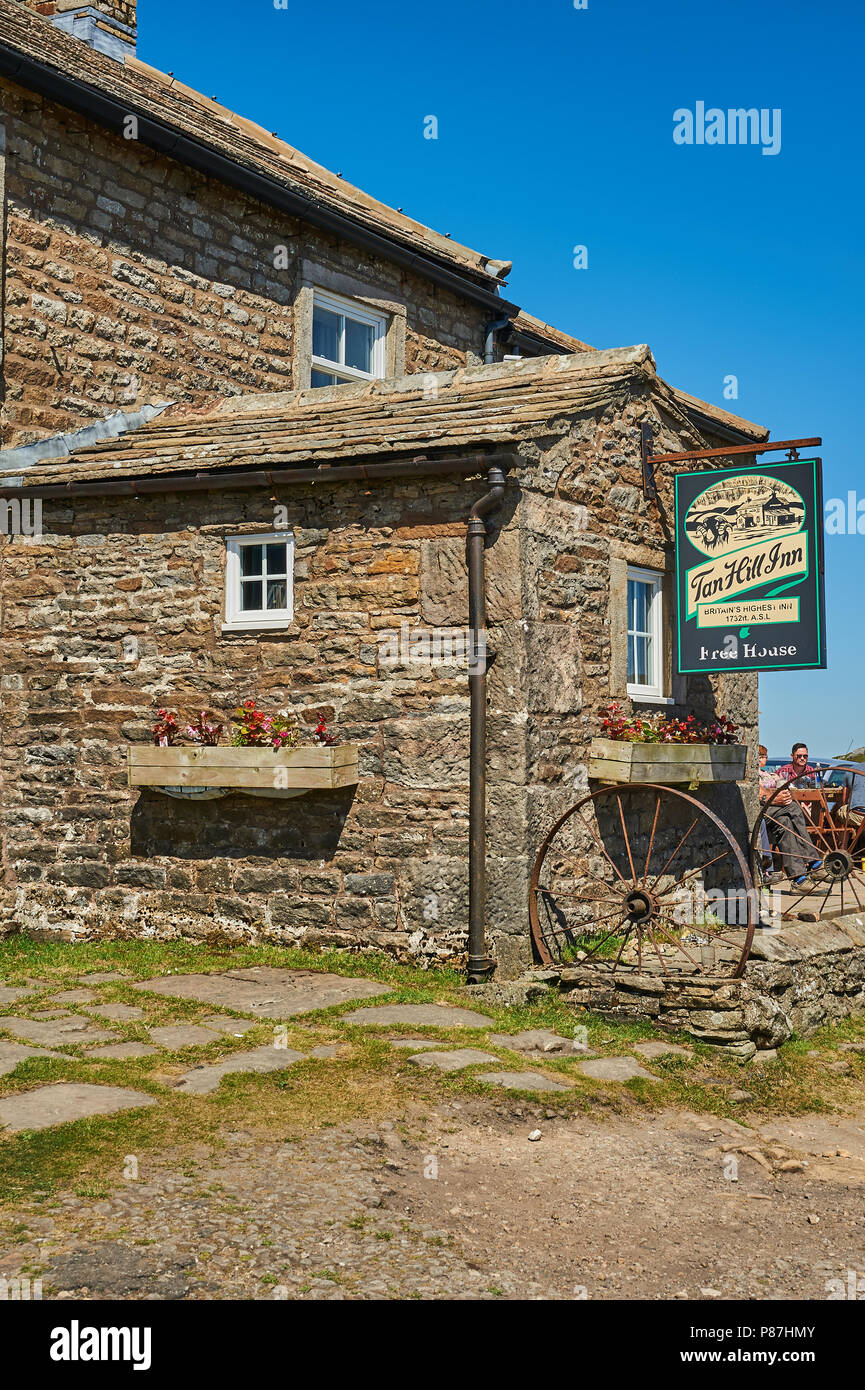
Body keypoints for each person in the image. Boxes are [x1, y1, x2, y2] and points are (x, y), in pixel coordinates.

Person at [763, 742, 824, 886]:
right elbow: (769, 791)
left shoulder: (811, 771)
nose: (803, 758)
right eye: (799, 756)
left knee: (785, 823)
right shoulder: (781, 771)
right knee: (794, 807)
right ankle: (811, 856)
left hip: (800, 811)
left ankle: (798, 878)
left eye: (805, 756)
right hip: (774, 808)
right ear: (792, 756)